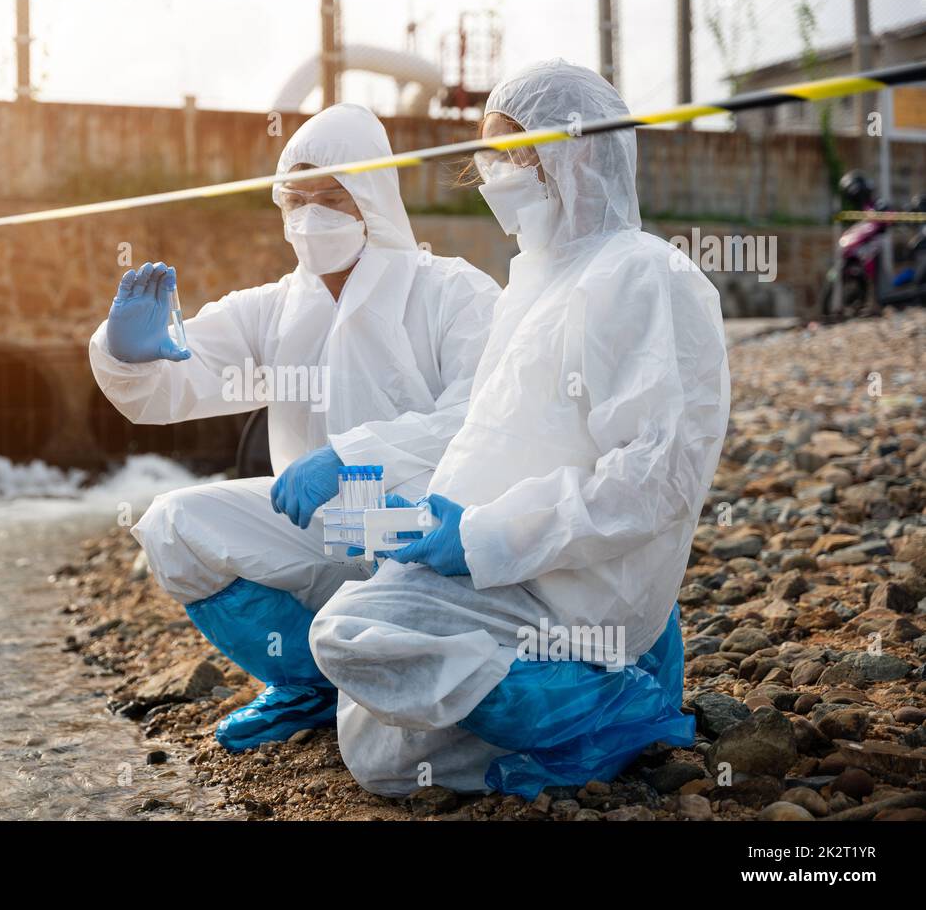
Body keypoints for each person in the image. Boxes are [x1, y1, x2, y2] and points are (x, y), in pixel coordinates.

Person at [308, 60, 731, 798]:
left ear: (581, 151)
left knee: (343, 633)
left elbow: (657, 476)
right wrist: (422, 509)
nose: (493, 174)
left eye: (511, 153)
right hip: (500, 559)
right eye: (486, 157)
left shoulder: (641, 273)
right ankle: (607, 682)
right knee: (384, 756)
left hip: (566, 578)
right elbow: (494, 432)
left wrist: (484, 535)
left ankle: (621, 699)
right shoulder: (530, 282)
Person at [88, 103, 500, 751]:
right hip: (327, 525)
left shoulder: (450, 292)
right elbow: (173, 386)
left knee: (401, 747)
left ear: (373, 196)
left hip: (422, 532)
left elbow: (486, 412)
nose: (312, 215)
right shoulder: (273, 309)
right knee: (174, 526)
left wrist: (353, 455)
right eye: (296, 198)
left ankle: (389, 664)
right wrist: (127, 350)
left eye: (333, 195)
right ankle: (309, 685)